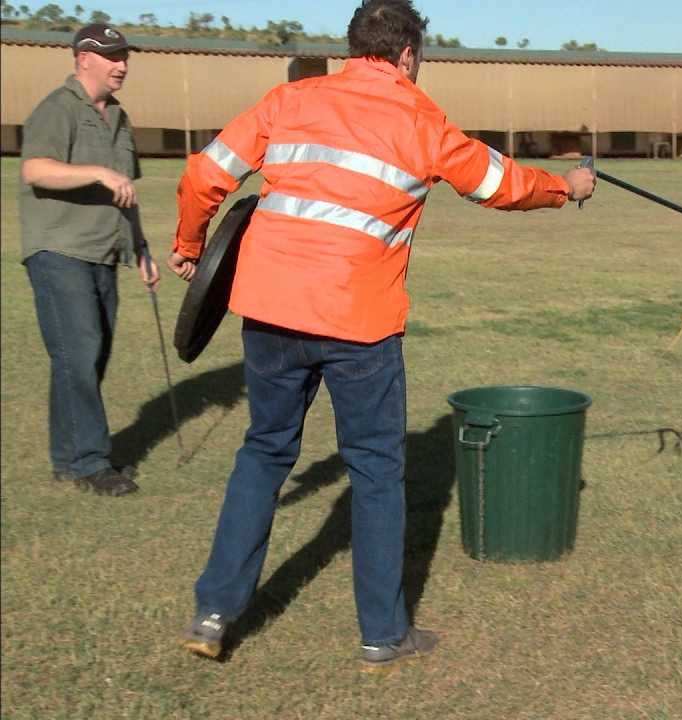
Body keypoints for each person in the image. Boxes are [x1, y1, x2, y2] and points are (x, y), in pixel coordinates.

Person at [168, 0, 595, 672]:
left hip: (270, 312)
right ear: (407, 54)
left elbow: (204, 174)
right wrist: (566, 186)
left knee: (264, 452)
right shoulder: (423, 120)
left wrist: (190, 245)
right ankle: (382, 635)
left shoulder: (289, 100)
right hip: (358, 323)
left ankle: (214, 613)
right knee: (374, 471)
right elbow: (501, 183)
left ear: (353, 47)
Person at [19, 23, 160, 497]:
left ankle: (69, 456)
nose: (122, 65)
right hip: (59, 249)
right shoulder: (58, 108)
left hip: (104, 251)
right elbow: (35, 169)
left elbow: (127, 190)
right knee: (78, 351)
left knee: (87, 356)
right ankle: (89, 462)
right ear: (85, 59)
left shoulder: (119, 116)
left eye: (125, 56)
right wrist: (97, 171)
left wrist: (141, 248)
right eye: (112, 57)